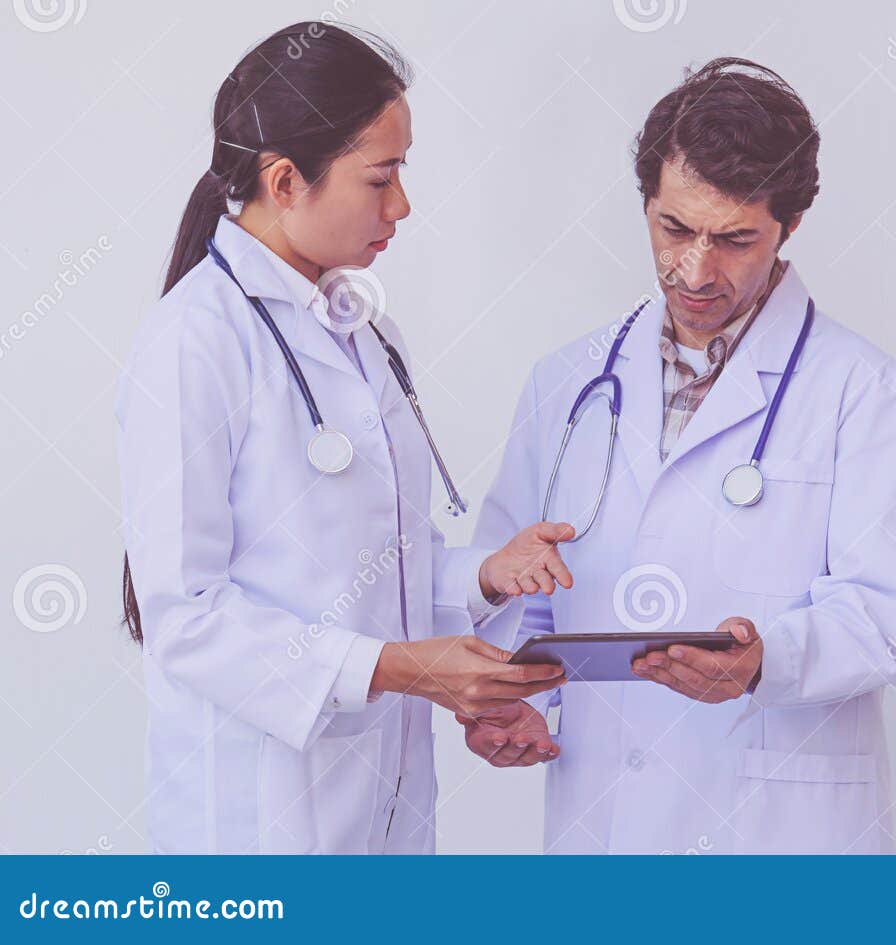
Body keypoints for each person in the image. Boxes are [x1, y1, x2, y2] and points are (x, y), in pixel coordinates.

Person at [116, 22, 571, 854]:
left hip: (387, 809)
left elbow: (384, 570)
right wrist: (404, 669)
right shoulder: (194, 340)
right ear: (284, 180)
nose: (401, 205)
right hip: (259, 824)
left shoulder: (363, 329)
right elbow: (185, 614)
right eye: (381, 177)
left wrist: (488, 575)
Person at [465, 58, 896, 853]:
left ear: (788, 225)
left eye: (734, 239)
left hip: (776, 833)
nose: (695, 268)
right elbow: (520, 587)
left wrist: (764, 662)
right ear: (647, 203)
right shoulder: (569, 381)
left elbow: (892, 616)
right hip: (602, 817)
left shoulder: (862, 390)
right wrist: (512, 698)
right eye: (674, 228)